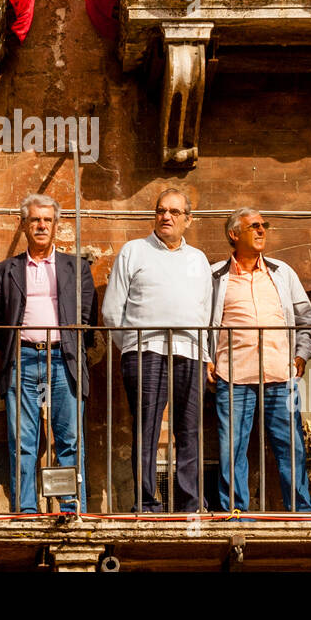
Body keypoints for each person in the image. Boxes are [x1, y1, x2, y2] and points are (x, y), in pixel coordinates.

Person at [102, 188, 212, 513]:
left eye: (175, 212)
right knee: (146, 429)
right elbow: (111, 312)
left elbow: (205, 312)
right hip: (145, 351)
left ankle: (190, 503)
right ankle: (147, 502)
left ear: (188, 220)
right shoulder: (133, 251)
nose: (166, 216)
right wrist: (133, 347)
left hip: (189, 351)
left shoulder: (199, 259)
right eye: (161, 210)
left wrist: (205, 355)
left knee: (189, 431)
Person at [0, 193, 98, 514]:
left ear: (56, 225)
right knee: (22, 441)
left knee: (69, 438)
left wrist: (74, 344)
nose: (41, 225)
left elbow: (87, 314)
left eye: (47, 220)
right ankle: (26, 508)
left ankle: (69, 508)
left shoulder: (75, 267)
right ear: (24, 224)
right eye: (35, 219)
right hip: (22, 359)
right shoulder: (6, 269)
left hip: (63, 359)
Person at [208, 209, 311, 514]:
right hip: (233, 374)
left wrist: (301, 353)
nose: (261, 230)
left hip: (280, 374)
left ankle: (302, 512)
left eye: (263, 226)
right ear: (234, 234)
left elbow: (306, 319)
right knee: (232, 450)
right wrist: (207, 359)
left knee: (291, 447)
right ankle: (236, 512)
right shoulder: (216, 275)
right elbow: (201, 321)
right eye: (253, 226)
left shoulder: (282, 272)